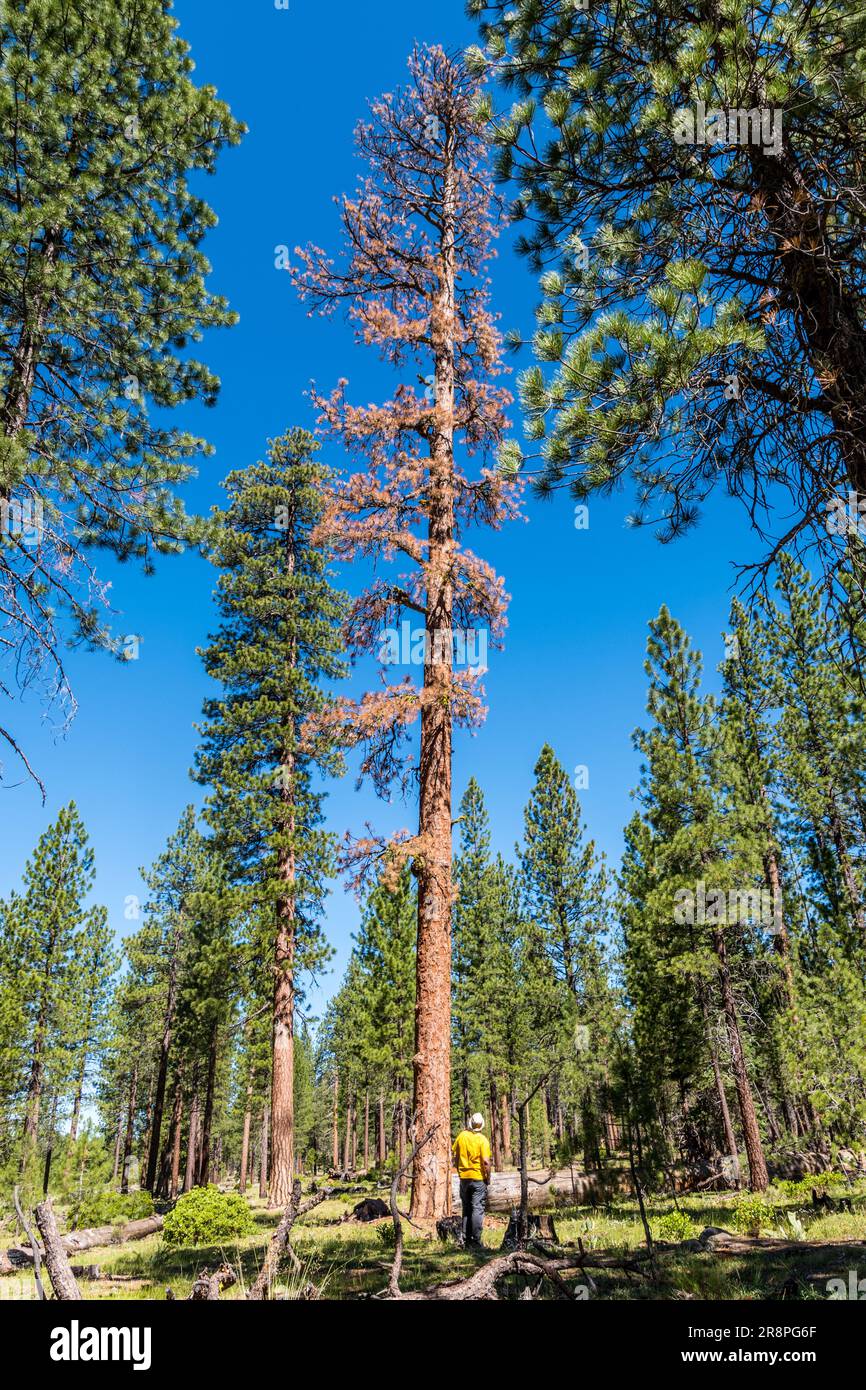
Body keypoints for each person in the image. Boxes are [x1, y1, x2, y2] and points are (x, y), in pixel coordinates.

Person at [452, 1112, 492, 1248]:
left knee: (466, 1208)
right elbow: (486, 1162)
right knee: (477, 1208)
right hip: (478, 1178)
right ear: (481, 1126)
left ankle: (465, 1238)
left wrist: (459, 1170)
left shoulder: (462, 1136)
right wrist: (488, 1178)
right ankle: (475, 1240)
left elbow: (455, 1156)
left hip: (464, 1178)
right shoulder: (483, 1140)